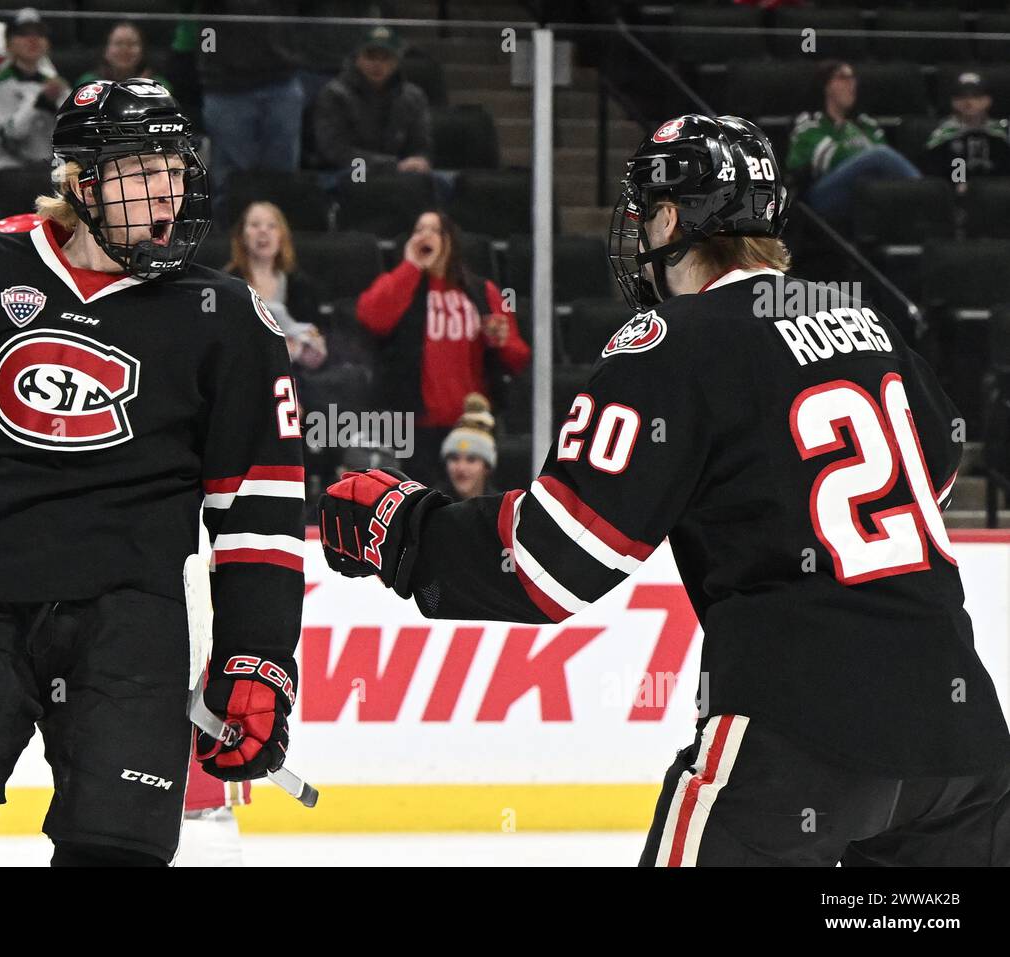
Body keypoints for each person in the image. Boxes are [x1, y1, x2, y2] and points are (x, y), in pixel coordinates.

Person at [320, 114, 1010, 866]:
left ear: (673, 217)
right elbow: (934, 464)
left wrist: (403, 526)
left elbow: (550, 564)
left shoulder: (674, 342)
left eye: (647, 211)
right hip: (965, 741)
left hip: (798, 733)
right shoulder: (861, 317)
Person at [0, 79, 305, 867]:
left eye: (175, 168)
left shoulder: (229, 319)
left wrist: (258, 655)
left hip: (129, 624)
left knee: (114, 853)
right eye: (144, 170)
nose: (168, 189)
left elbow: (259, 511)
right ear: (83, 180)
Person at [356, 209, 529, 485]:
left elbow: (518, 357)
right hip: (415, 427)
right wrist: (411, 266)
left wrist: (501, 340)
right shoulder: (402, 283)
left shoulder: (482, 292)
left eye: (434, 230)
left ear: (450, 241)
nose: (425, 235)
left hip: (471, 424)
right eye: (419, 230)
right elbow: (371, 316)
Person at [196, 0, 305, 218]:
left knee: (281, 177)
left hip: (280, 78)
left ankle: (278, 239)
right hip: (226, 84)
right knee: (232, 178)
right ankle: (232, 239)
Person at [786, 61, 920, 225]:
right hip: (820, 195)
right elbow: (830, 159)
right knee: (880, 155)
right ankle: (923, 194)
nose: (851, 83)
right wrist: (864, 153)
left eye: (853, 78)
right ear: (826, 86)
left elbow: (885, 168)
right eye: (843, 77)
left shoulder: (866, 124)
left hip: (868, 192)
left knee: (882, 168)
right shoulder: (810, 123)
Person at [0, 9, 68, 210]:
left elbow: (71, 135)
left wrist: (55, 104)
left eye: (39, 34)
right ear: (9, 43)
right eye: (23, 34)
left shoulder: (59, 87)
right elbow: (11, 138)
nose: (32, 39)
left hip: (44, 173)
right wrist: (38, 102)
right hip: (2, 173)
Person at [313, 25, 433, 179]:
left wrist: (420, 160)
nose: (378, 64)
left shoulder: (414, 96)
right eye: (371, 56)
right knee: (362, 181)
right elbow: (334, 150)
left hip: (397, 172)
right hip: (349, 171)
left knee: (440, 182)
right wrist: (387, 165)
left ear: (396, 62)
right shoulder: (334, 94)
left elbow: (421, 145)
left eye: (386, 58)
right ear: (357, 58)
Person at [226, 201, 325, 372]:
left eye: (272, 226)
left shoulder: (300, 284)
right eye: (255, 225)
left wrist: (312, 350)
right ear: (242, 236)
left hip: (294, 376)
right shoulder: (226, 283)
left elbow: (313, 338)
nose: (263, 231)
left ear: (282, 237)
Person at [923, 72, 1010, 183]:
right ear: (953, 101)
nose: (969, 102)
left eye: (976, 96)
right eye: (962, 96)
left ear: (988, 100)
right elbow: (932, 174)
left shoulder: (1002, 133)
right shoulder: (943, 136)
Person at [436, 393, 497, 502]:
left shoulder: (501, 508)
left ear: (486, 467)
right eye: (454, 459)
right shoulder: (432, 507)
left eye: (471, 460)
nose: (461, 468)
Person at [75, 21, 167, 89]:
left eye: (131, 44)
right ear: (105, 51)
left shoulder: (158, 85)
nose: (125, 50)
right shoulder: (88, 83)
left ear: (143, 51)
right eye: (118, 43)